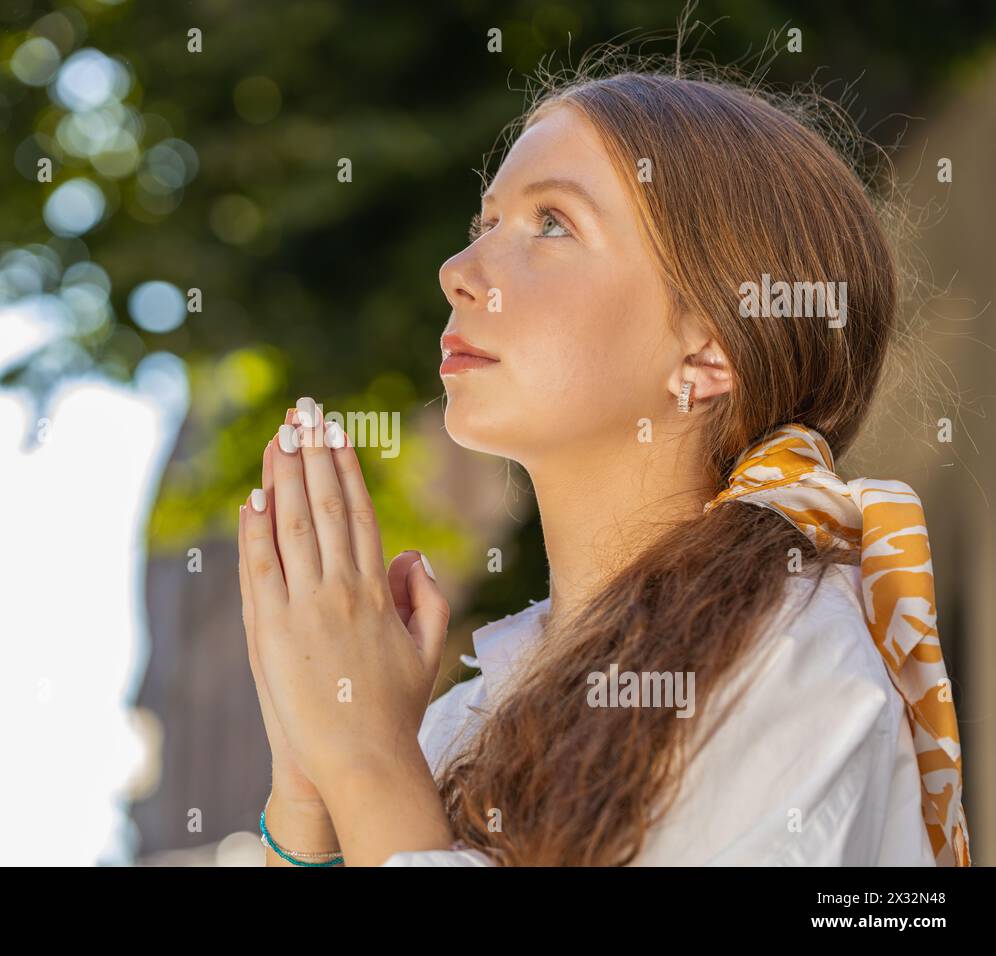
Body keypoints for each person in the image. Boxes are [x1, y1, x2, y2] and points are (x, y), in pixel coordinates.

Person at [236, 63, 970, 867]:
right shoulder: (459, 719)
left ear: (709, 349)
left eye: (552, 223)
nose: (457, 270)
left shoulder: (795, 655)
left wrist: (367, 755)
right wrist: (309, 784)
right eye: (485, 226)